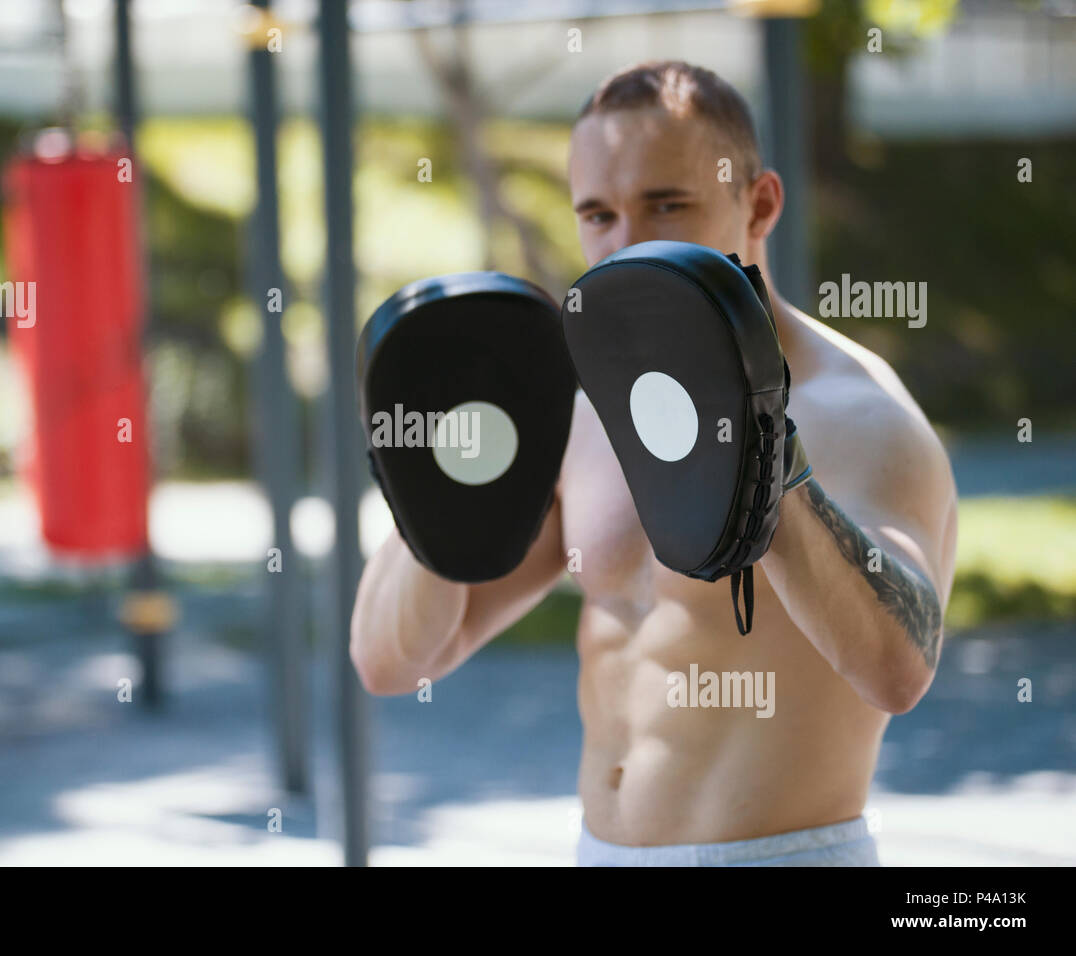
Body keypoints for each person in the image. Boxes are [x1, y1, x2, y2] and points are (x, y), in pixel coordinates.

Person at [350, 60, 958, 866]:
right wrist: (443, 494)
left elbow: (899, 673)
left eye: (665, 204)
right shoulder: (582, 411)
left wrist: (772, 464)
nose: (626, 243)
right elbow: (395, 660)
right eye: (598, 215)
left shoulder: (863, 416)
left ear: (760, 204)